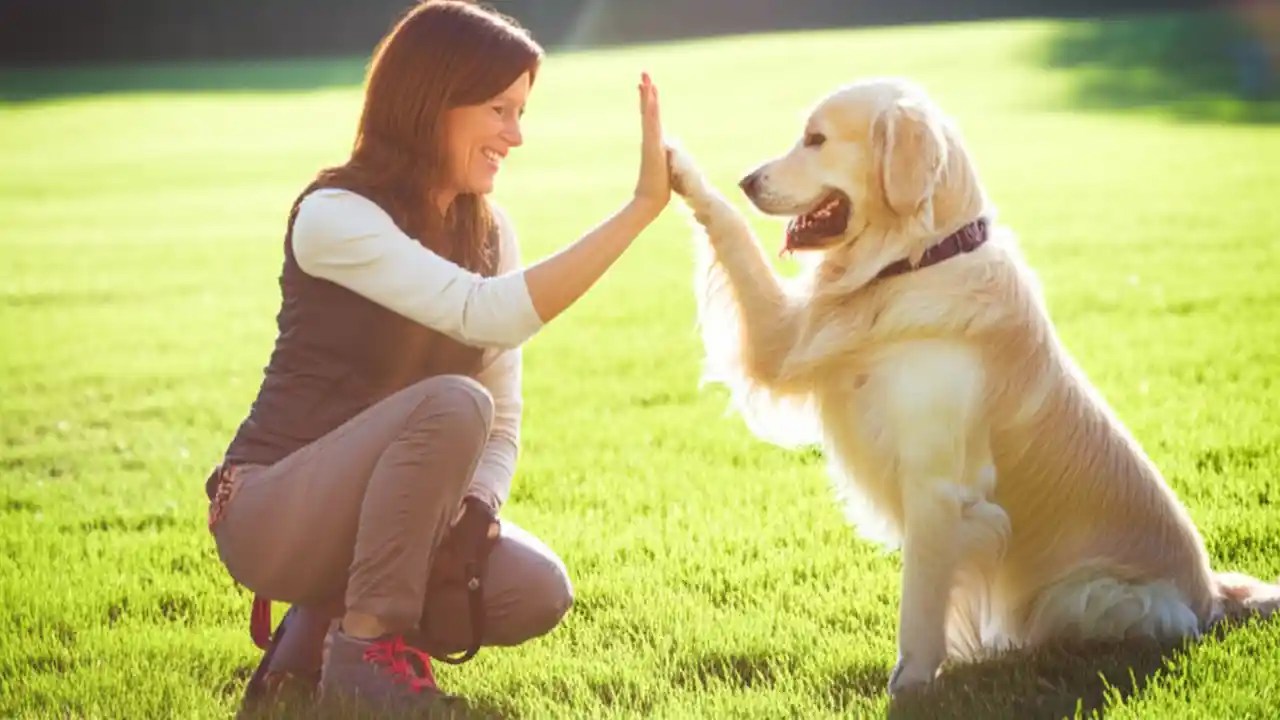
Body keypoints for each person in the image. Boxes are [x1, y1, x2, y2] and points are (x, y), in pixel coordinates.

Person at [202, 0, 671, 713]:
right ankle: (363, 655)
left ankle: (322, 623)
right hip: (271, 511)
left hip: (385, 516)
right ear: (433, 102)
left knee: (534, 589)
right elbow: (483, 314)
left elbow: (504, 419)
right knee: (456, 402)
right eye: (499, 109)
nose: (515, 136)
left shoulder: (492, 231)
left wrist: (480, 506)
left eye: (522, 112)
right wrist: (639, 209)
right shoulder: (336, 217)